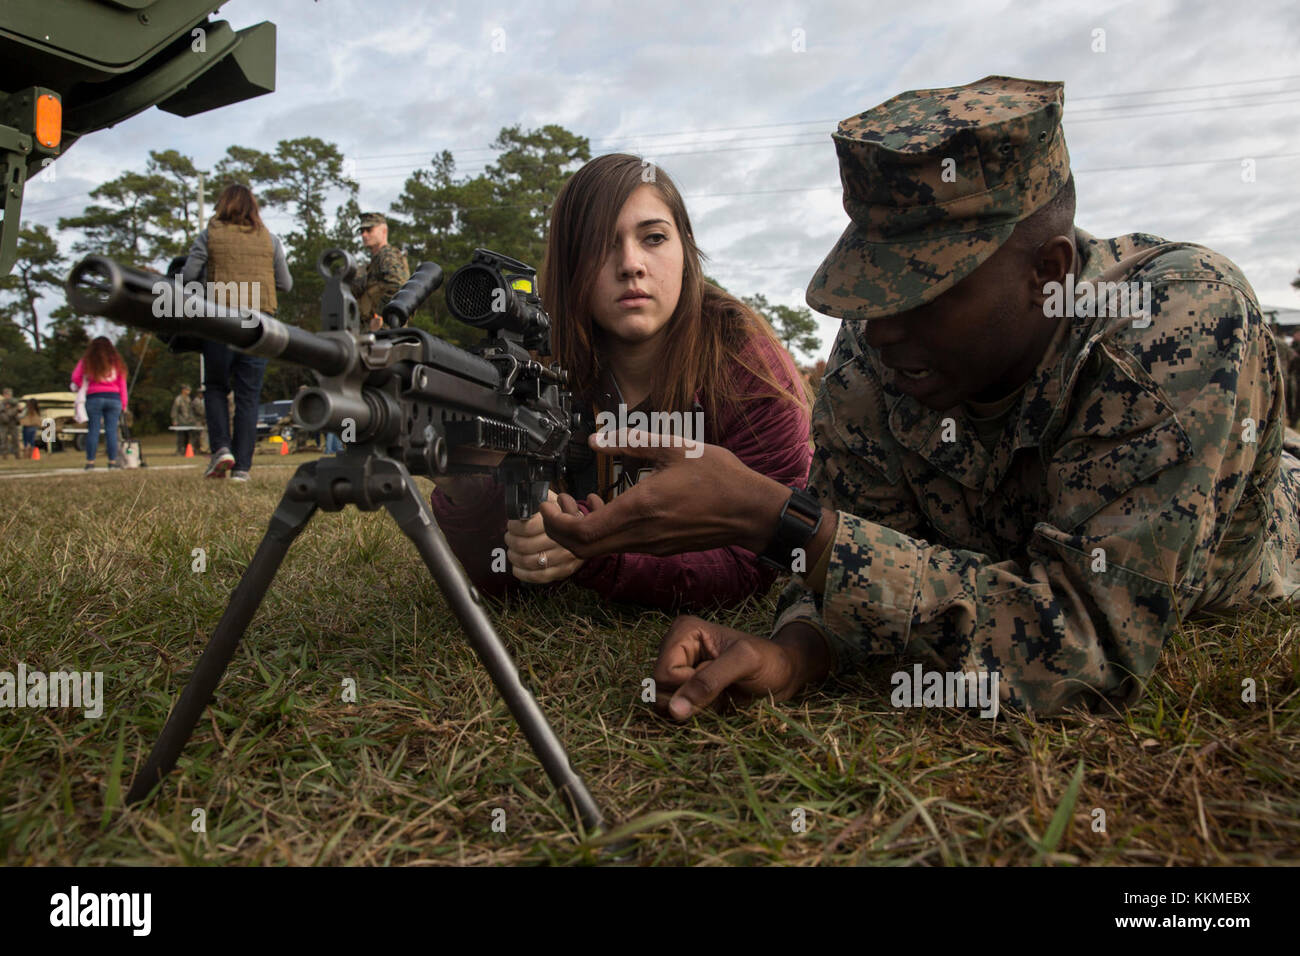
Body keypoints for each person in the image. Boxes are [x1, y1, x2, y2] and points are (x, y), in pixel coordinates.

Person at [540, 76, 1300, 720]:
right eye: (872, 290)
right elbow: (862, 538)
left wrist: (773, 519)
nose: (882, 326)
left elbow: (1089, 648)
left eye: (923, 291)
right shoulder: (875, 360)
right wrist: (794, 652)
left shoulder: (1174, 324)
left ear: (1050, 274)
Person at [430, 153, 812, 612]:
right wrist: (469, 493)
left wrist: (600, 552)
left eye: (653, 238)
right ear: (571, 266)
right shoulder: (533, 367)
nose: (630, 264)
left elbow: (769, 557)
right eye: (599, 244)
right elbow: (503, 584)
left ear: (686, 250)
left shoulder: (746, 366)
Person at [182, 183, 292, 482]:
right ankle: (242, 467)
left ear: (222, 205)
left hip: (220, 319)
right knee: (249, 396)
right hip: (260, 326)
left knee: (216, 387)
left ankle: (221, 449)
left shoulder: (209, 235)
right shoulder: (271, 240)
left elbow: (188, 277)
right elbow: (286, 284)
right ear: (253, 208)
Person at [71, 336, 129, 470]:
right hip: (114, 398)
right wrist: (124, 404)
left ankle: (90, 462)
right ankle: (112, 462)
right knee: (111, 431)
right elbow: (122, 383)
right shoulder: (116, 362)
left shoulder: (87, 360)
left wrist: (84, 386)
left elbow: (75, 377)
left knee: (93, 430)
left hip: (94, 397)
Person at [351, 212, 410, 332]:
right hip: (378, 330)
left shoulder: (387, 255)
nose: (364, 235)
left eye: (369, 230)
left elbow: (397, 286)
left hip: (386, 330)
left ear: (384, 231)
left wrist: (380, 315)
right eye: (362, 231)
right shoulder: (376, 259)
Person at [170, 384, 199, 453]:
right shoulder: (178, 399)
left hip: (188, 421)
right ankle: (179, 450)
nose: (189, 391)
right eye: (187, 390)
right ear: (183, 390)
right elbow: (174, 410)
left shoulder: (189, 399)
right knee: (181, 436)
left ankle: (188, 449)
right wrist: (174, 420)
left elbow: (191, 410)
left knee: (189, 436)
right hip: (181, 420)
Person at [0, 387, 20, 459]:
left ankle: (17, 454)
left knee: (15, 439)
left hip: (13, 422)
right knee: (3, 439)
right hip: (4, 422)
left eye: (8, 394)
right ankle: (4, 455)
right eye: (6, 394)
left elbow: (18, 409)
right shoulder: (2, 403)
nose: (7, 396)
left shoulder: (14, 402)